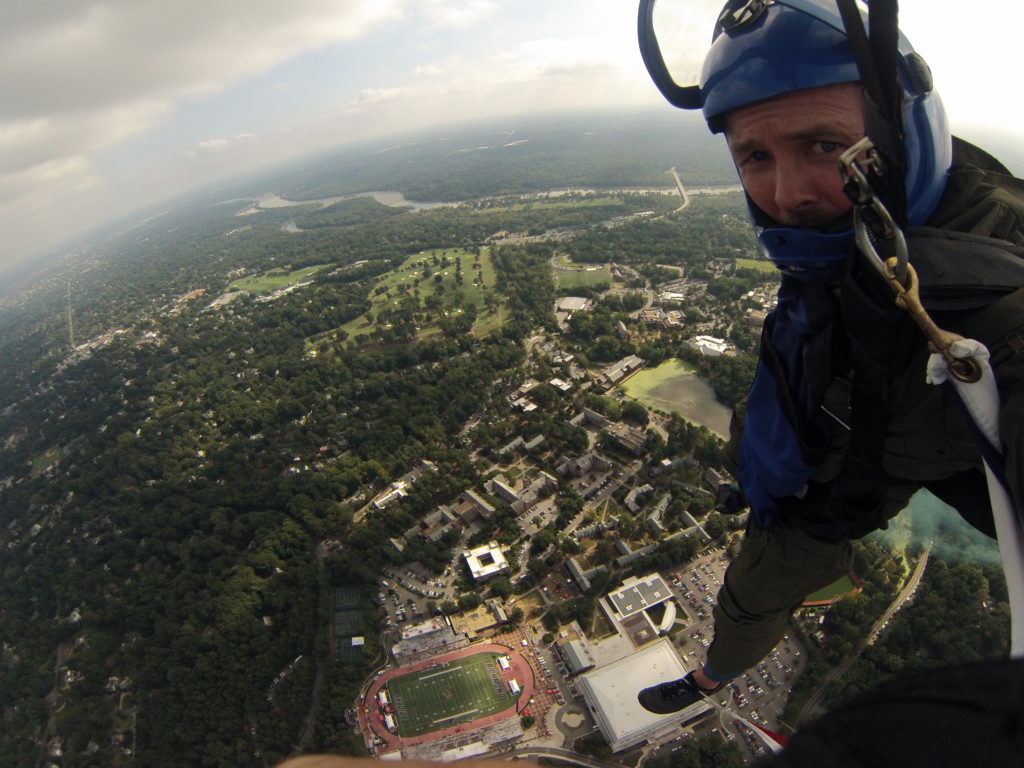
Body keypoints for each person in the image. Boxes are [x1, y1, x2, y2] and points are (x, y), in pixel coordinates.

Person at [636, 0, 1024, 714]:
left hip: (863, 473)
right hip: (843, 429)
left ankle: (711, 678)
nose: (788, 196)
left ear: (904, 138)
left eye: (823, 145)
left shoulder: (1002, 309)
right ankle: (718, 666)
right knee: (758, 517)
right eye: (756, 157)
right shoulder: (879, 224)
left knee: (763, 577)